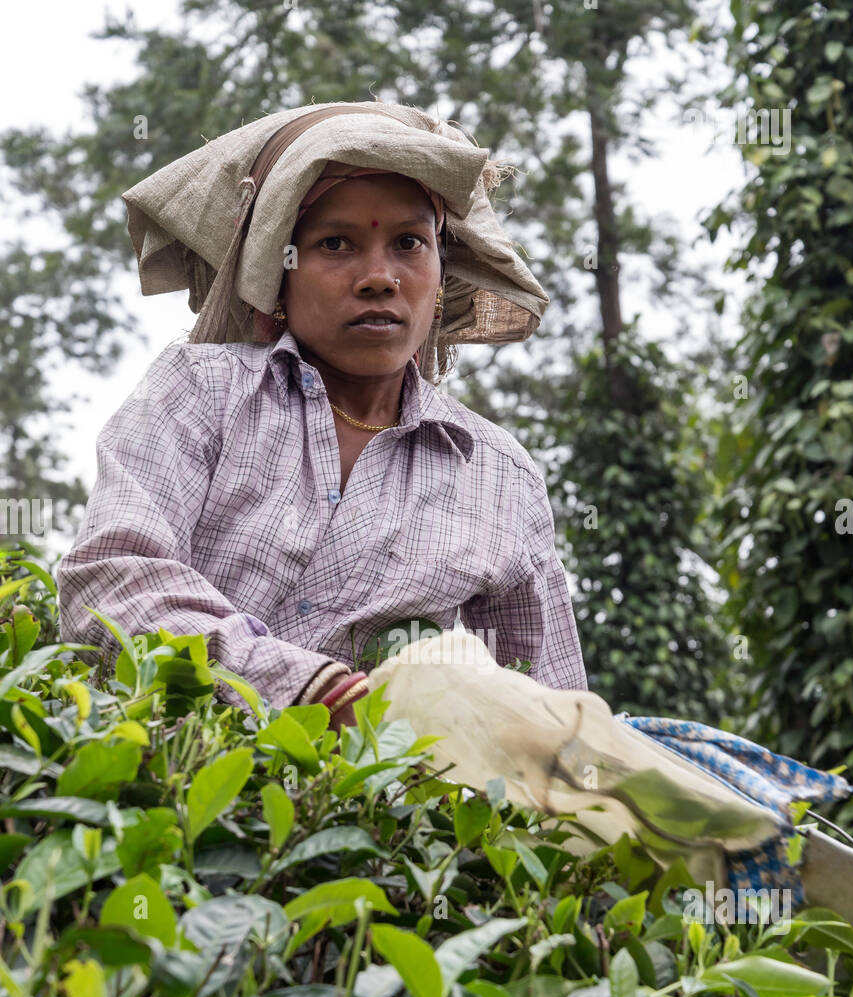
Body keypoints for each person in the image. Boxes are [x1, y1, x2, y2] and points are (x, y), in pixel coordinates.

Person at [56, 100, 589, 733]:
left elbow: (550, 711)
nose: (379, 278)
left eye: (410, 243)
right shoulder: (200, 393)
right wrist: (299, 687)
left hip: (388, 825)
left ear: (441, 274)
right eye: (335, 243)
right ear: (277, 272)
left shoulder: (498, 475)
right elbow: (110, 584)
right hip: (172, 790)